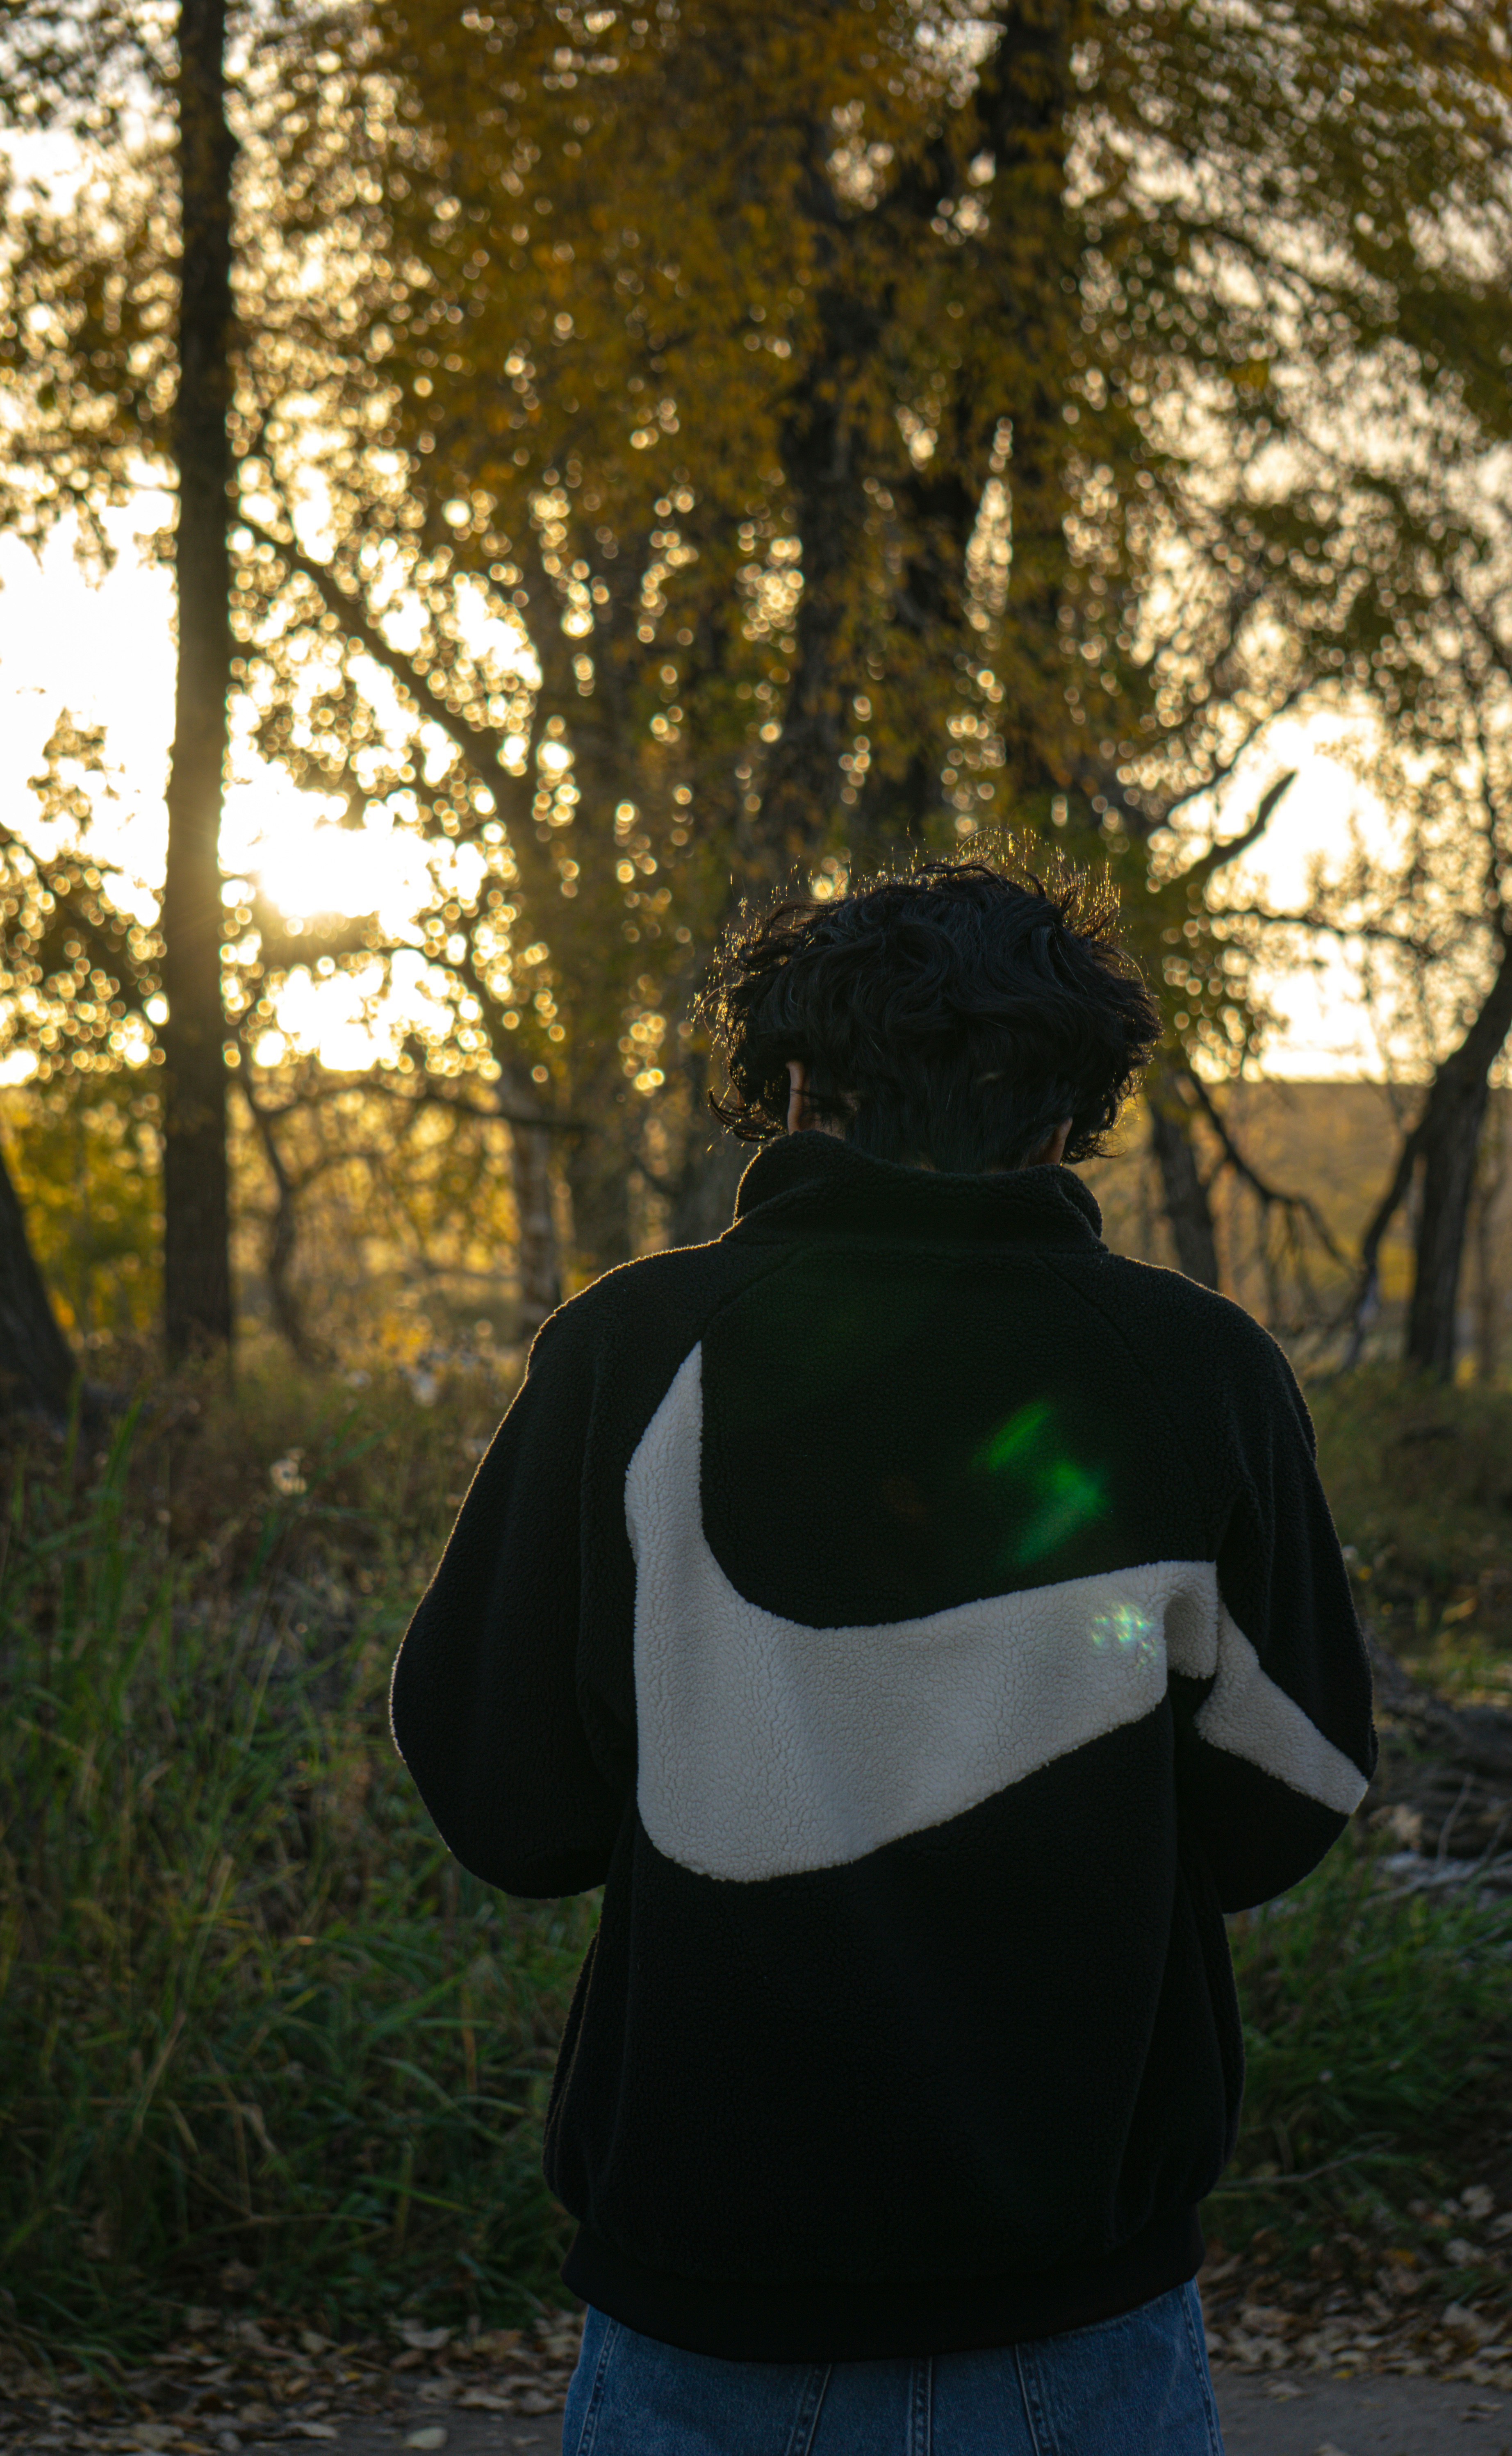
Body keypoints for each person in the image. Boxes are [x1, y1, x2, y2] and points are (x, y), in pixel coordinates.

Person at [391, 854, 1376, 2456]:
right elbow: (1285, 1803)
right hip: (1084, 2336)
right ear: (1067, 1119)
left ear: (788, 1089)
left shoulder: (627, 1352)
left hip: (708, 2331)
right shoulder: (1202, 1374)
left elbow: (511, 1810)